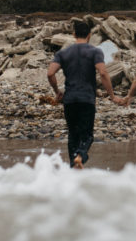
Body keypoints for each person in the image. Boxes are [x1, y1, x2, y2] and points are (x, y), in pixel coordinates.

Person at [47, 21, 121, 169]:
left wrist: (56, 91)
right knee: (87, 135)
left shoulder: (63, 53)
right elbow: (103, 72)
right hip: (86, 99)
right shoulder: (95, 52)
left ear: (74, 34)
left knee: (73, 135)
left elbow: (50, 73)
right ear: (89, 35)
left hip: (69, 99)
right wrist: (112, 95)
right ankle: (80, 156)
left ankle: (73, 166)